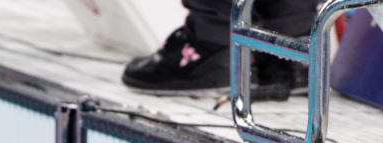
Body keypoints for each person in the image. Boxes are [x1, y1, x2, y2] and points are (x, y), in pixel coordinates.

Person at [121, 0, 316, 100]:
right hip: (301, 39)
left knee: (220, 24)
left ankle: (215, 41)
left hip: (217, 46)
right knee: (289, 22)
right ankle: (287, 51)